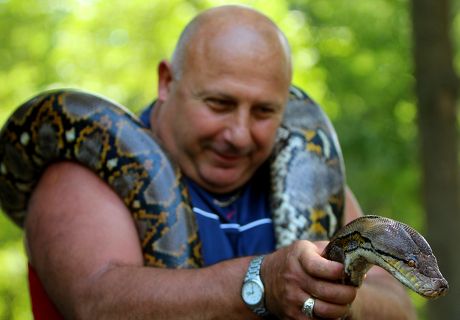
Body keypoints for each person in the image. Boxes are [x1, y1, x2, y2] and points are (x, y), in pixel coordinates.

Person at [25, 5, 416, 319]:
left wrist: (338, 300)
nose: (239, 134)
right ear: (166, 82)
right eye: (219, 104)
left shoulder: (314, 177)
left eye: (264, 111)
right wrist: (261, 282)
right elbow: (97, 301)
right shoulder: (80, 172)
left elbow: (398, 307)